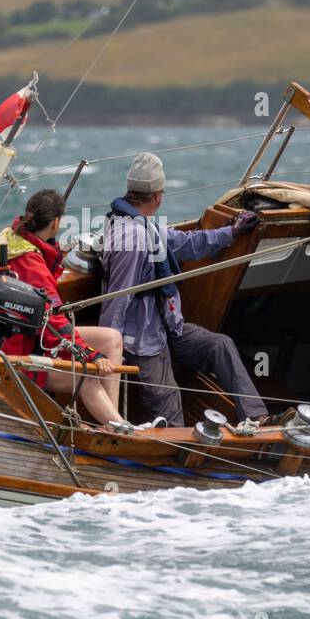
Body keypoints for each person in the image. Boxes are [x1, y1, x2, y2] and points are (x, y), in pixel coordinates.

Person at [100, 152, 271, 429]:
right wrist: (108, 349)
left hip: (167, 328)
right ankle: (178, 461)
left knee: (220, 345)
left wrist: (231, 232)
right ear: (157, 196)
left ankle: (257, 417)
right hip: (141, 342)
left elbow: (187, 243)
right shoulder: (131, 238)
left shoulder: (147, 228)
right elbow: (116, 299)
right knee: (170, 401)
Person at [0, 189, 128, 428]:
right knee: (88, 377)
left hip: (27, 338)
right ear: (56, 222)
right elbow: (51, 321)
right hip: (20, 354)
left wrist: (52, 253)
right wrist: (91, 355)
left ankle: (113, 422)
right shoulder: (30, 263)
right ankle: (121, 431)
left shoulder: (13, 241)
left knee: (112, 339)